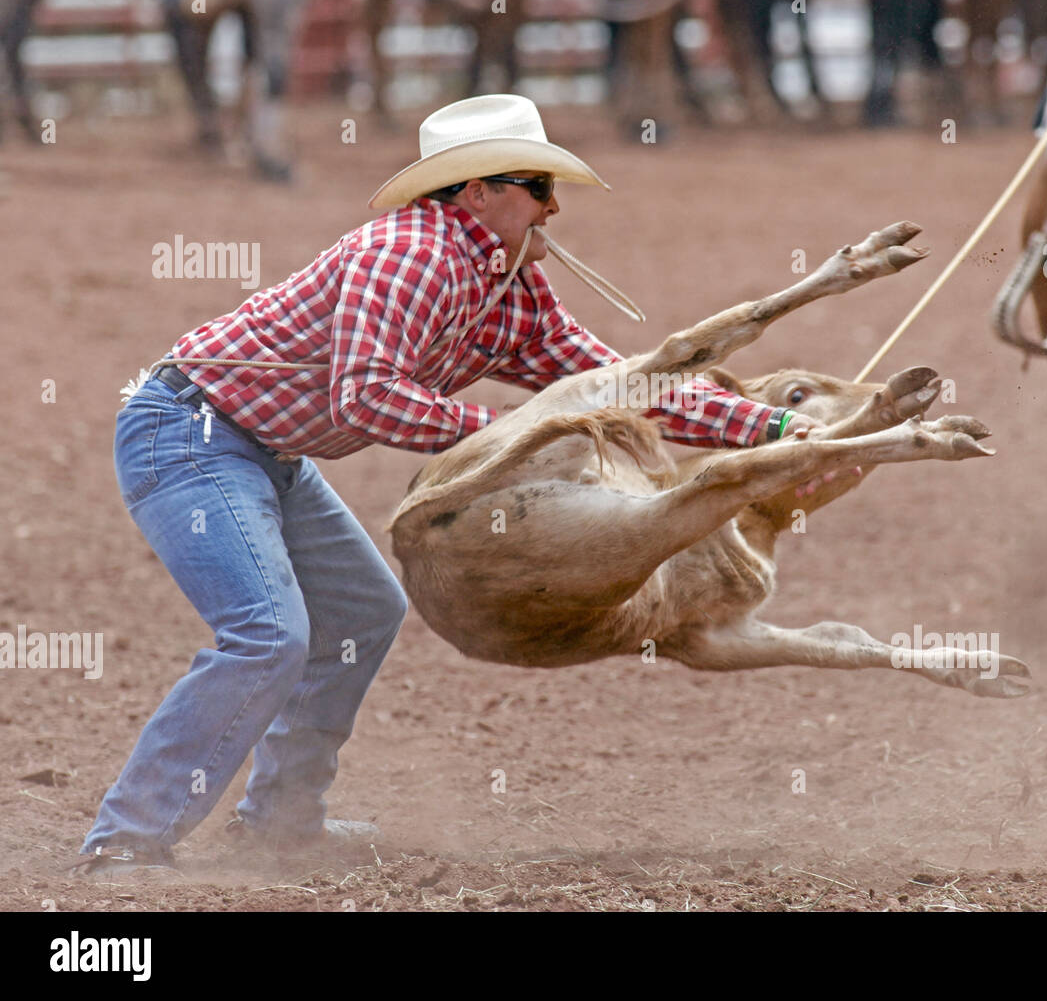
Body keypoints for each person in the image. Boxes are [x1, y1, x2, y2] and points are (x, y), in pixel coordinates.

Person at [75, 94, 819, 877]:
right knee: (269, 631)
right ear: (477, 193)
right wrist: (504, 432)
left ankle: (281, 822)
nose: (553, 204)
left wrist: (769, 431)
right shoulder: (412, 255)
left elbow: (621, 386)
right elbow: (363, 395)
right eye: (537, 184)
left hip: (263, 450)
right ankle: (127, 835)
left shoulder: (512, 292)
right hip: (191, 433)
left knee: (363, 608)